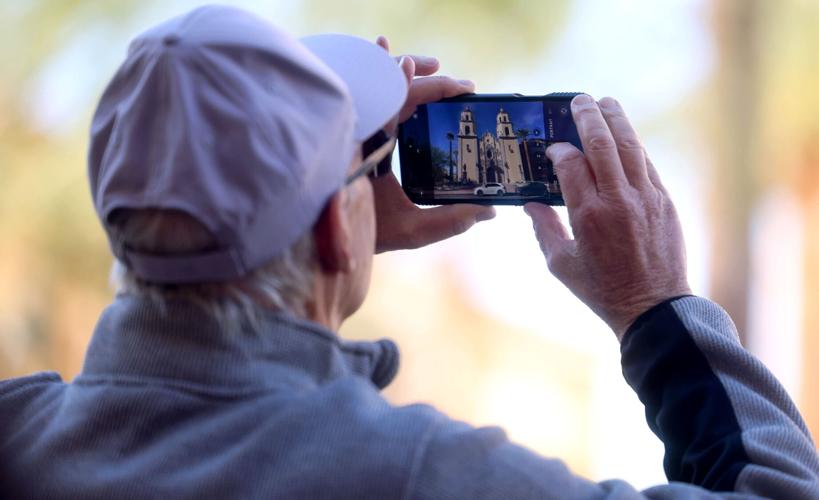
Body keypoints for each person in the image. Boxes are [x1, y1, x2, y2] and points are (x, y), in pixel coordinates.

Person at [1, 5, 817, 499]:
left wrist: (333, 217)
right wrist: (656, 305)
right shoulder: (419, 474)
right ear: (329, 231)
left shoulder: (23, 435)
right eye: (357, 162)